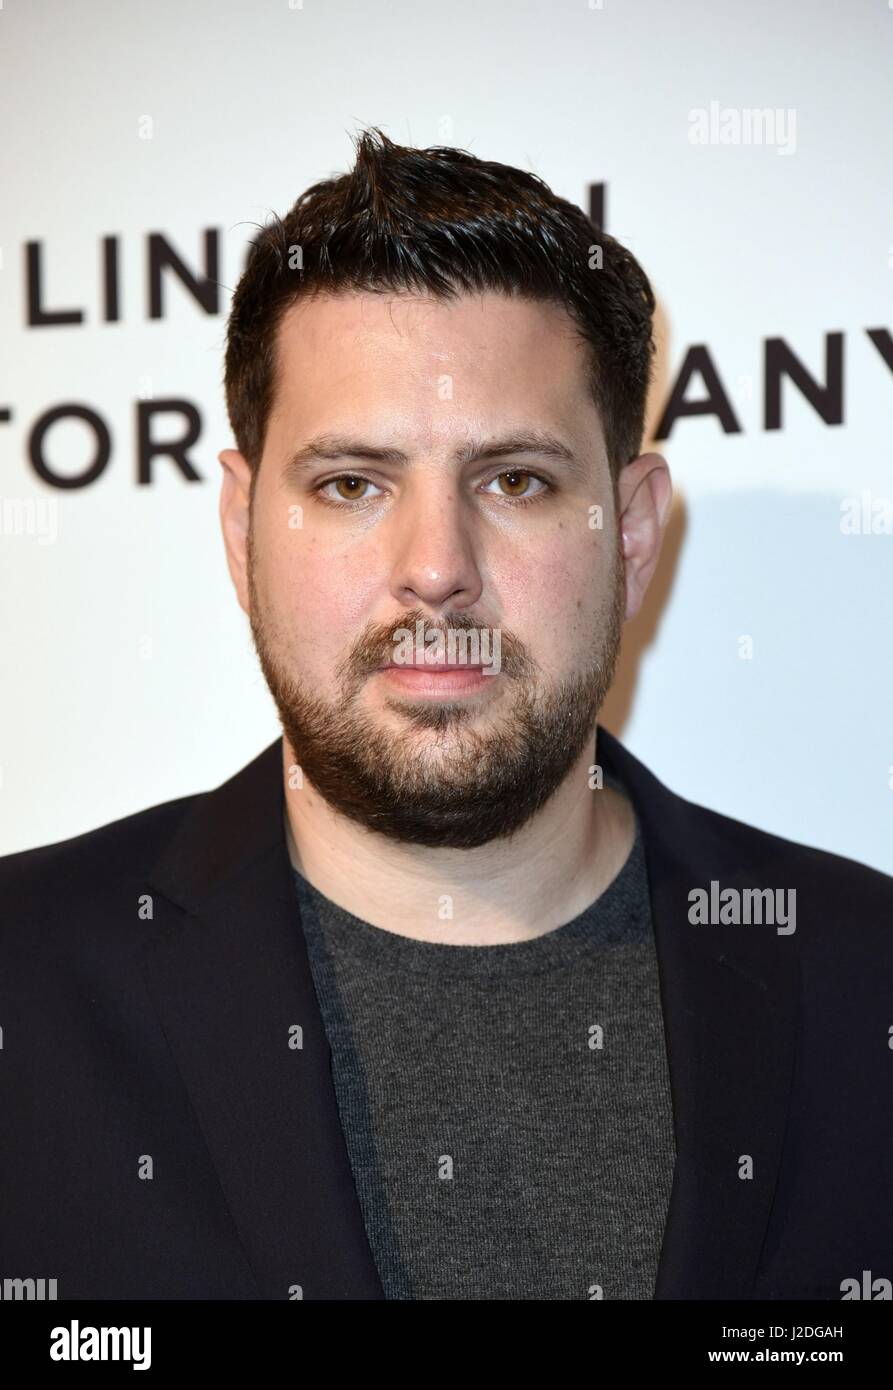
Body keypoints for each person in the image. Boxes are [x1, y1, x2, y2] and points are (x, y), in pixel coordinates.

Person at [2, 128, 891, 1303]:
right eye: (350, 484)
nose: (435, 568)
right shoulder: (24, 977)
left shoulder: (862, 977)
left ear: (628, 531)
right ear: (239, 529)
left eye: (514, 480)